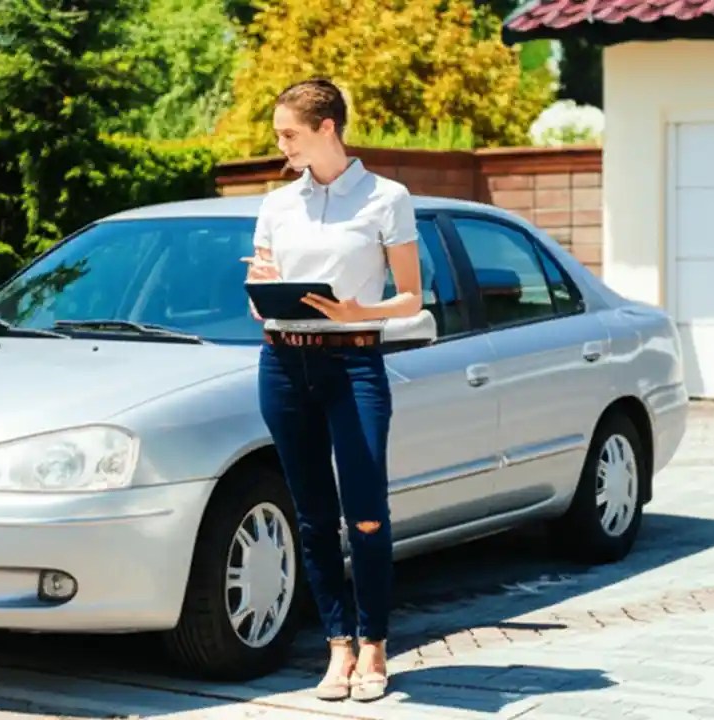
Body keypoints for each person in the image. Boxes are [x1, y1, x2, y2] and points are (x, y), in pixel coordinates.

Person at [242, 78, 422, 703]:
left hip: (354, 364)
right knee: (313, 516)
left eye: (289, 134)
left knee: (365, 511)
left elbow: (412, 297)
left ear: (327, 128)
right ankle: (338, 646)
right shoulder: (276, 205)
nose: (281, 146)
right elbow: (259, 296)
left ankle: (374, 642)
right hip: (282, 365)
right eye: (278, 135)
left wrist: (357, 312)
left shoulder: (387, 198)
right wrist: (261, 291)